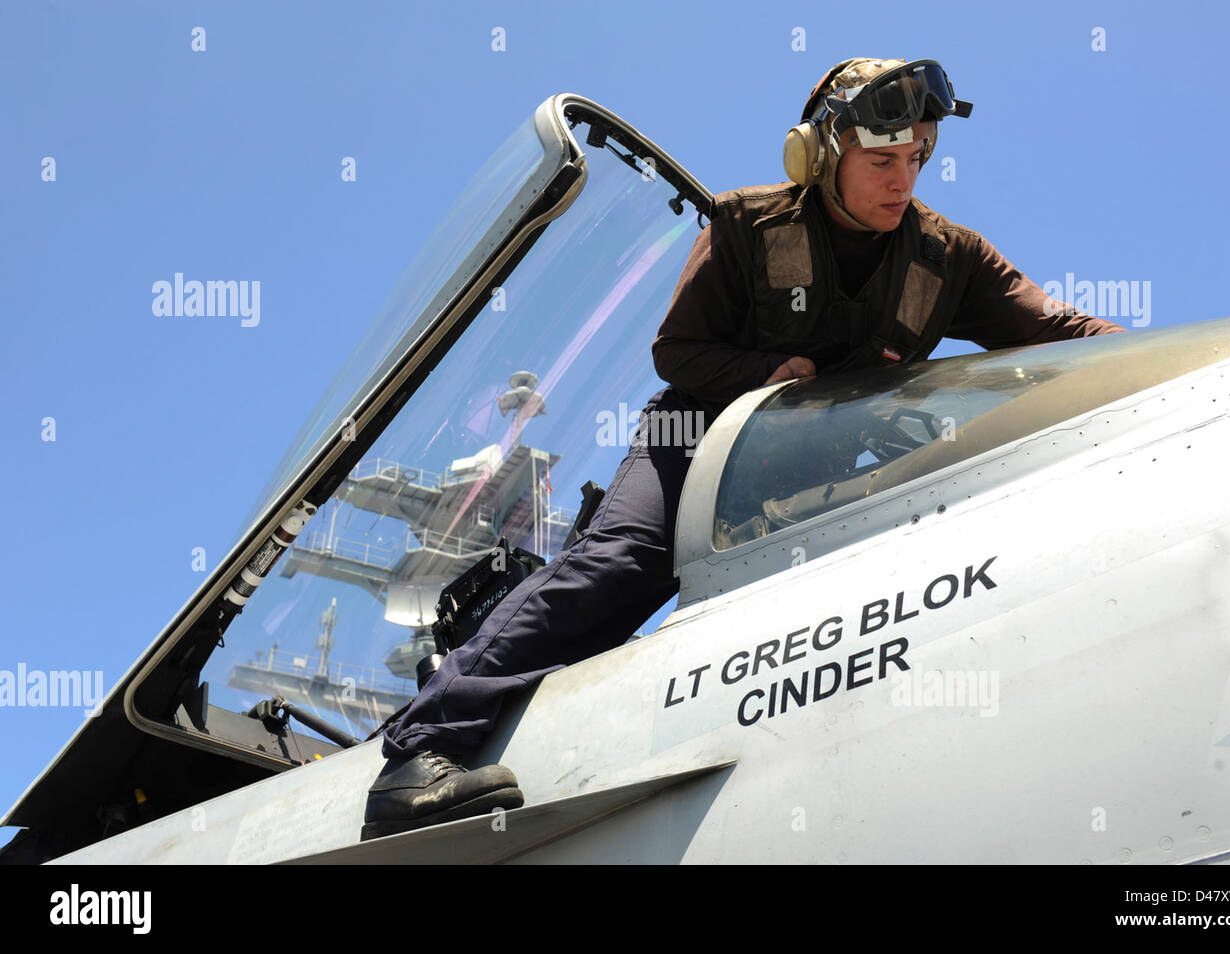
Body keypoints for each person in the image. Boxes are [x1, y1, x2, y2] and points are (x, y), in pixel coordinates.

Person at [360, 56, 1123, 841]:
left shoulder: (948, 257)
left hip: (812, 472)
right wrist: (768, 373)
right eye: (883, 160)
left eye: (917, 159)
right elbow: (677, 352)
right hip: (693, 437)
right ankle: (421, 752)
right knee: (621, 562)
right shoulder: (747, 226)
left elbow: (1061, 330)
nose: (904, 181)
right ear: (823, 153)